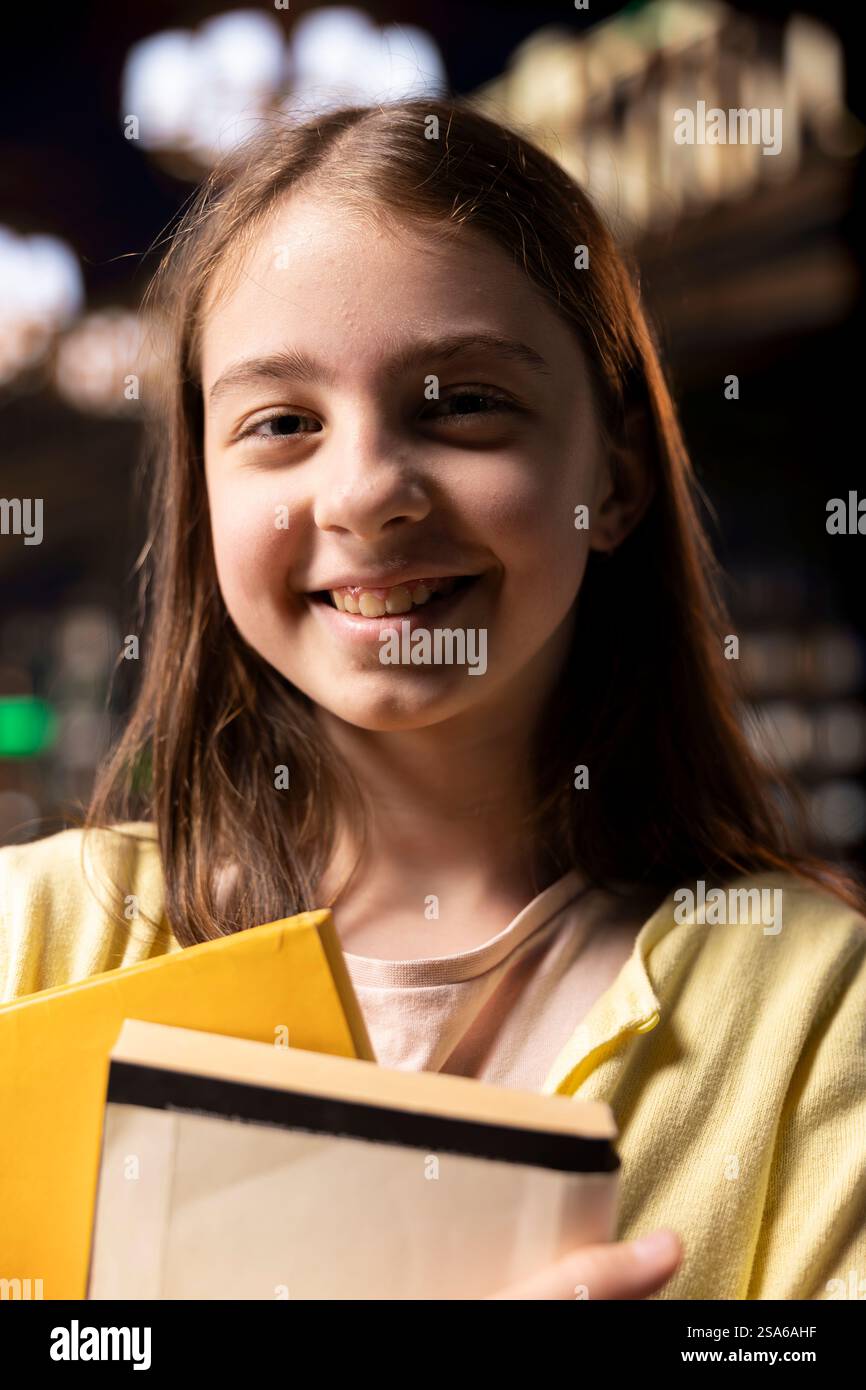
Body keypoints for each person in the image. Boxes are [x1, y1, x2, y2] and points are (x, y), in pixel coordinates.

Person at [2, 98, 864, 1301]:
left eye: (461, 402)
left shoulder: (818, 1010)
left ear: (611, 479)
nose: (366, 492)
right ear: (203, 495)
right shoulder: (33, 938)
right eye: (282, 422)